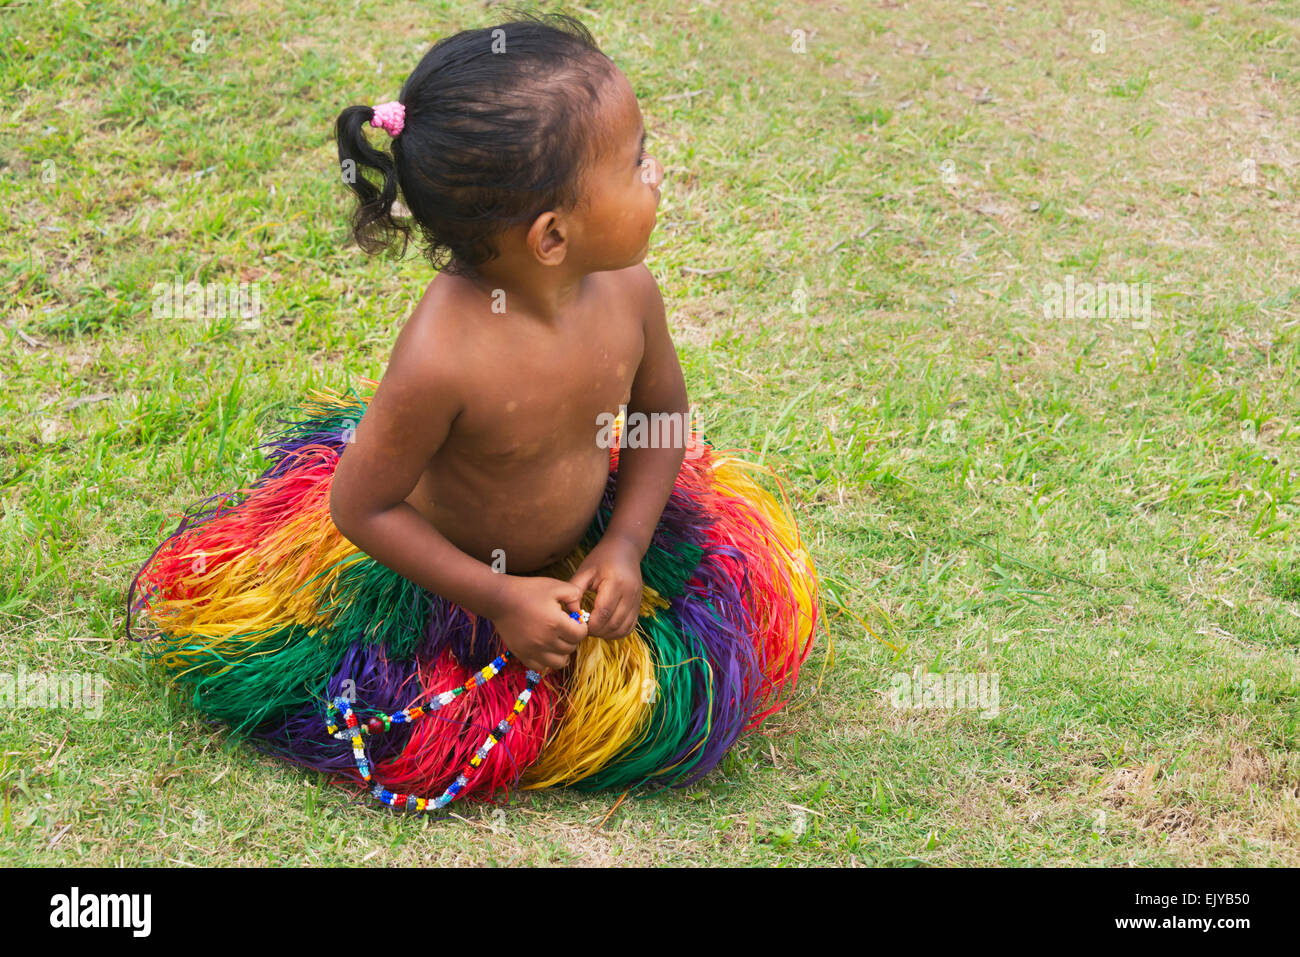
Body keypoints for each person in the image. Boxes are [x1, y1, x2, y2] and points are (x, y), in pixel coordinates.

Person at [127, 12, 819, 812]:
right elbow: (361, 503)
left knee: (680, 698)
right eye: (635, 164)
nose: (656, 175)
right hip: (454, 582)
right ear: (552, 235)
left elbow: (660, 416)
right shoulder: (443, 355)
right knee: (411, 732)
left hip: (595, 541)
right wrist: (498, 597)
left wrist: (627, 544)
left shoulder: (629, 293)